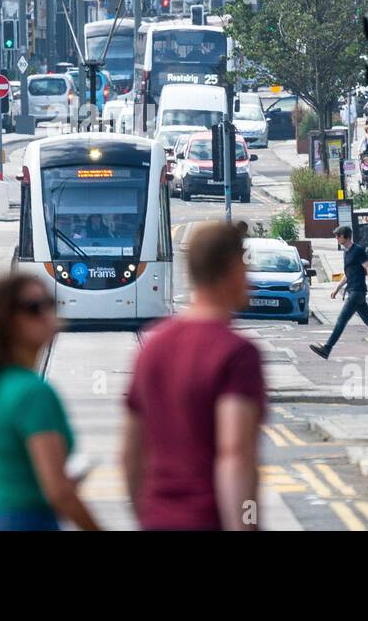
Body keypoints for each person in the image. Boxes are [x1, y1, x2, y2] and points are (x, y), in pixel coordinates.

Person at [122, 222, 265, 530]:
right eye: (245, 266)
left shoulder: (153, 345)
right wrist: (246, 525)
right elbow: (235, 455)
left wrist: (149, 516)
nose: (249, 279)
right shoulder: (237, 354)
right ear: (230, 270)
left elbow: (130, 454)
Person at [0, 274, 99, 531]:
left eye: (50, 303)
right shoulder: (32, 393)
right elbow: (58, 493)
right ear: (5, 322)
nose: (48, 314)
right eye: (34, 308)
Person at [310, 226, 368, 361]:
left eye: (338, 236)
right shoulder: (347, 252)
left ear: (346, 236)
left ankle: (327, 348)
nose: (336, 238)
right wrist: (337, 288)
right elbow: (349, 274)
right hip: (354, 291)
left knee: (341, 320)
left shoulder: (358, 250)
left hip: (357, 292)